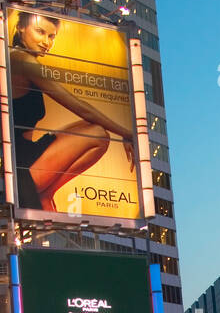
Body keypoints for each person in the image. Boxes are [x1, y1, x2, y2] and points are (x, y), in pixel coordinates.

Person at [9, 12, 136, 212]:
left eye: (51, 37)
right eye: (40, 32)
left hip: (27, 153)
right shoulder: (22, 61)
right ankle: (43, 192)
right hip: (21, 167)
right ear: (21, 28)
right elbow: (77, 105)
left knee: (91, 128)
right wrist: (127, 133)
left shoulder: (18, 58)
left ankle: (46, 192)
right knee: (98, 135)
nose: (46, 42)